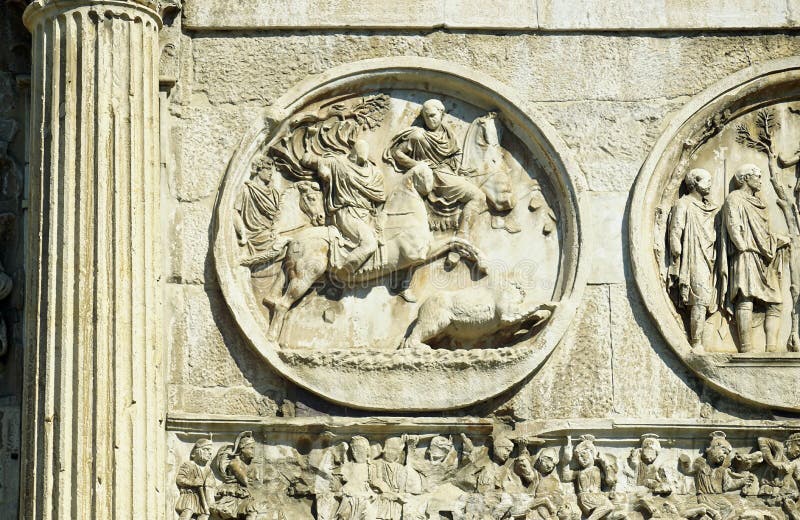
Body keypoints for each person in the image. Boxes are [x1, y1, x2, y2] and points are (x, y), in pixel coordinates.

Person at [384, 99, 487, 265]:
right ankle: (461, 240)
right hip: (433, 177)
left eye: (432, 115)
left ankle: (461, 237)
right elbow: (397, 153)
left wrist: (457, 169)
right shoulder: (418, 135)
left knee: (479, 193)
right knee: (478, 196)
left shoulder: (447, 133)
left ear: (442, 114)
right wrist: (418, 165)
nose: (429, 119)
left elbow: (456, 153)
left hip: (448, 173)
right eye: (426, 116)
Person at [721, 164, 788, 352]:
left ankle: (772, 348)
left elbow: (764, 233)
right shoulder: (734, 198)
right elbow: (732, 224)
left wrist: (775, 241)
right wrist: (743, 247)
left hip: (765, 256)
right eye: (757, 176)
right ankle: (746, 348)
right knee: (745, 296)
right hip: (746, 254)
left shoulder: (760, 203)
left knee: (775, 301)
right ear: (745, 178)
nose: (760, 180)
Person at [301, 139, 386, 272]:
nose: (360, 161)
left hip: (368, 215)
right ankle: (344, 272)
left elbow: (380, 197)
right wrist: (319, 165)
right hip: (347, 215)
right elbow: (306, 159)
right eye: (358, 158)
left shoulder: (375, 173)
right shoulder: (337, 163)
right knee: (369, 244)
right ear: (353, 154)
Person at [668, 168, 718, 350]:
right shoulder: (684, 204)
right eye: (706, 180)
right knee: (699, 296)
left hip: (710, 254)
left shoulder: (709, 207)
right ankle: (696, 342)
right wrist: (676, 249)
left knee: (706, 296)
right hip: (693, 255)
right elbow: (676, 228)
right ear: (694, 182)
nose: (710, 184)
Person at [234, 155, 281, 255]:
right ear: (258, 169)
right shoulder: (246, 190)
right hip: (255, 236)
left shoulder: (275, 193)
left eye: (271, 169)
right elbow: (235, 212)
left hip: (272, 233)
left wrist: (276, 228)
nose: (271, 173)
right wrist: (242, 235)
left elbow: (278, 215)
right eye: (267, 169)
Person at [175, 438, 214, 520]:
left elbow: (212, 485)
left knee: (205, 516)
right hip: (190, 497)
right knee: (187, 514)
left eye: (210, 451)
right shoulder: (189, 465)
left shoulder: (208, 469)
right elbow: (180, 479)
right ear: (197, 451)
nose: (209, 453)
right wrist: (192, 483)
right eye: (206, 449)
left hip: (203, 499)